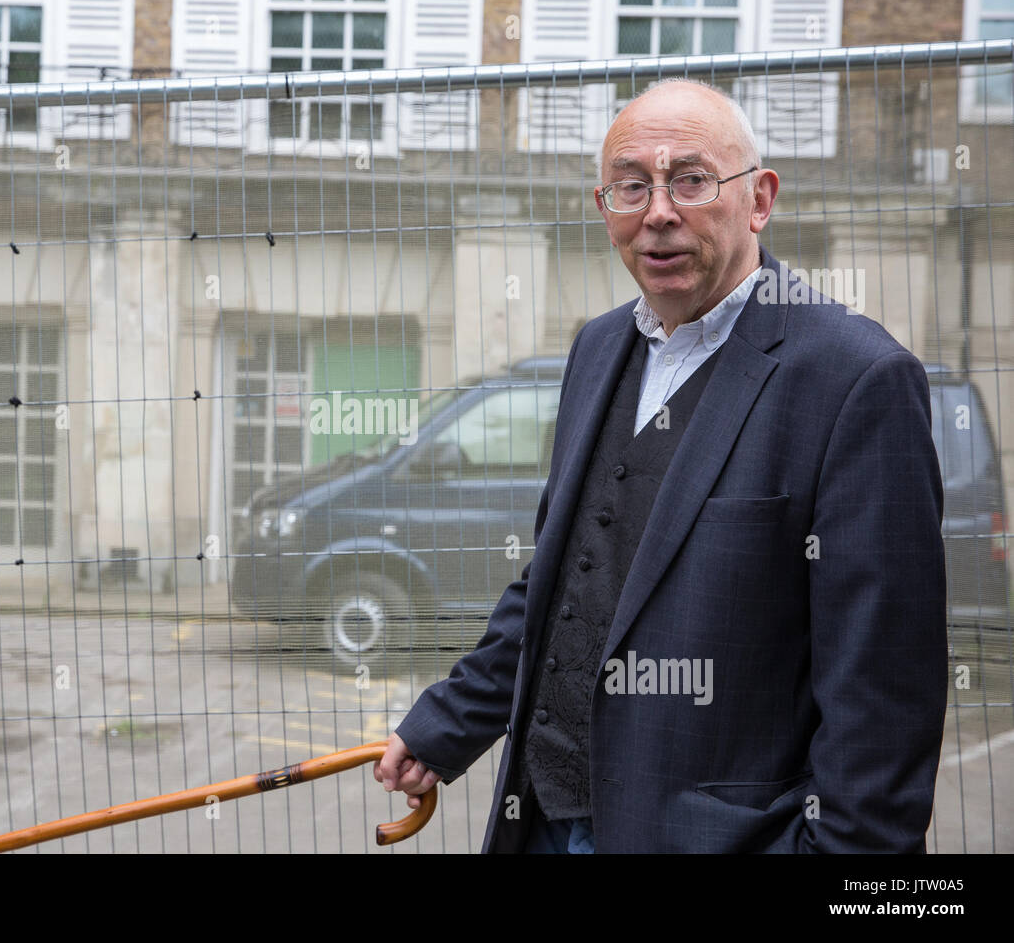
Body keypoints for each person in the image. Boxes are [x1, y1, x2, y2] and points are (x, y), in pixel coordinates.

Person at [373, 78, 948, 853]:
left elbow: (884, 700)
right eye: (631, 186)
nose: (659, 212)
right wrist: (449, 722)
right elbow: (563, 583)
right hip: (543, 820)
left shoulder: (857, 380)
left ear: (760, 198)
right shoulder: (598, 347)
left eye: (691, 179)